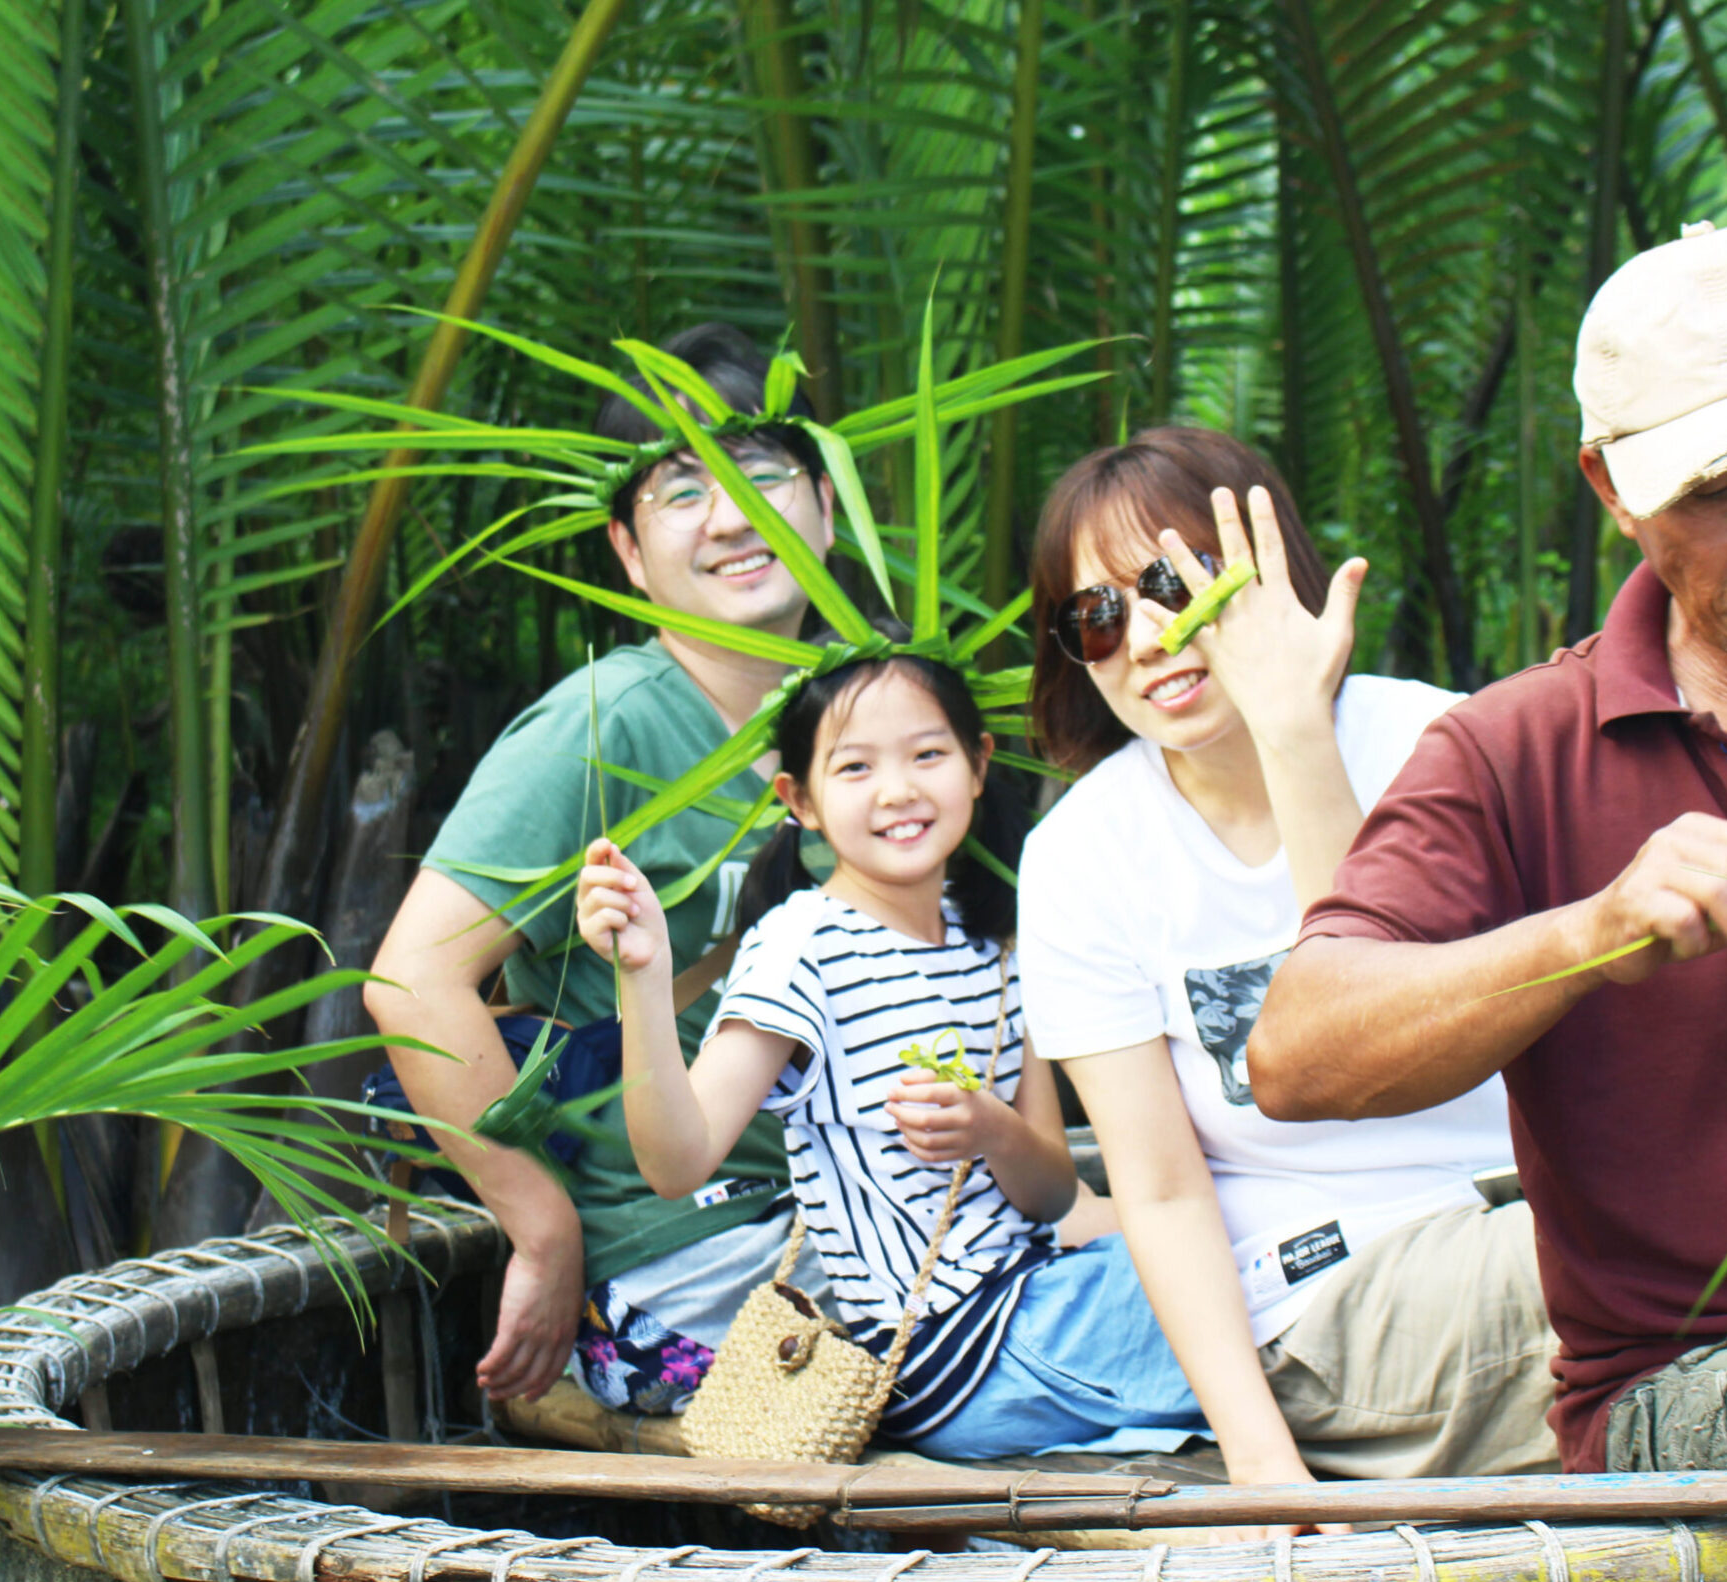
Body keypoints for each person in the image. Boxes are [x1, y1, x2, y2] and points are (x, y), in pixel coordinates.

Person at [1252, 221, 1727, 1555]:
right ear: (1613, 486)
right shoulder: (1514, 749)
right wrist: (1594, 932)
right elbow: (1298, 1049)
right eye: (1721, 487)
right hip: (1696, 1399)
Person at [1016, 426, 1558, 1523]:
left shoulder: (1431, 736)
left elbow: (1409, 1015)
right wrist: (1262, 1467)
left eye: (1172, 582)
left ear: (1263, 573)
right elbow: (1160, 1190)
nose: (1149, 635)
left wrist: (1292, 729)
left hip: (1546, 1207)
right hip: (1338, 1293)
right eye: (1097, 615)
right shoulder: (1080, 854)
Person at [365, 323, 840, 1415]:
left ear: (821, 498)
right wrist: (541, 1225)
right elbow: (411, 978)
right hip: (688, 1246)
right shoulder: (607, 722)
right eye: (681, 493)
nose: (730, 517)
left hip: (852, 1217)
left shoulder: (864, 712)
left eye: (758, 475)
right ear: (628, 550)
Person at [575, 643, 1206, 1456]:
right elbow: (677, 1161)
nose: (899, 790)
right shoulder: (801, 946)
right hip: (944, 1353)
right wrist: (646, 979)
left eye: (928, 755)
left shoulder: (1000, 944)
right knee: (1232, 1294)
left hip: (1037, 1303)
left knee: (1241, 1251)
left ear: (977, 766)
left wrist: (992, 1131)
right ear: (798, 800)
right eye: (855, 768)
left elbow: (1051, 1192)